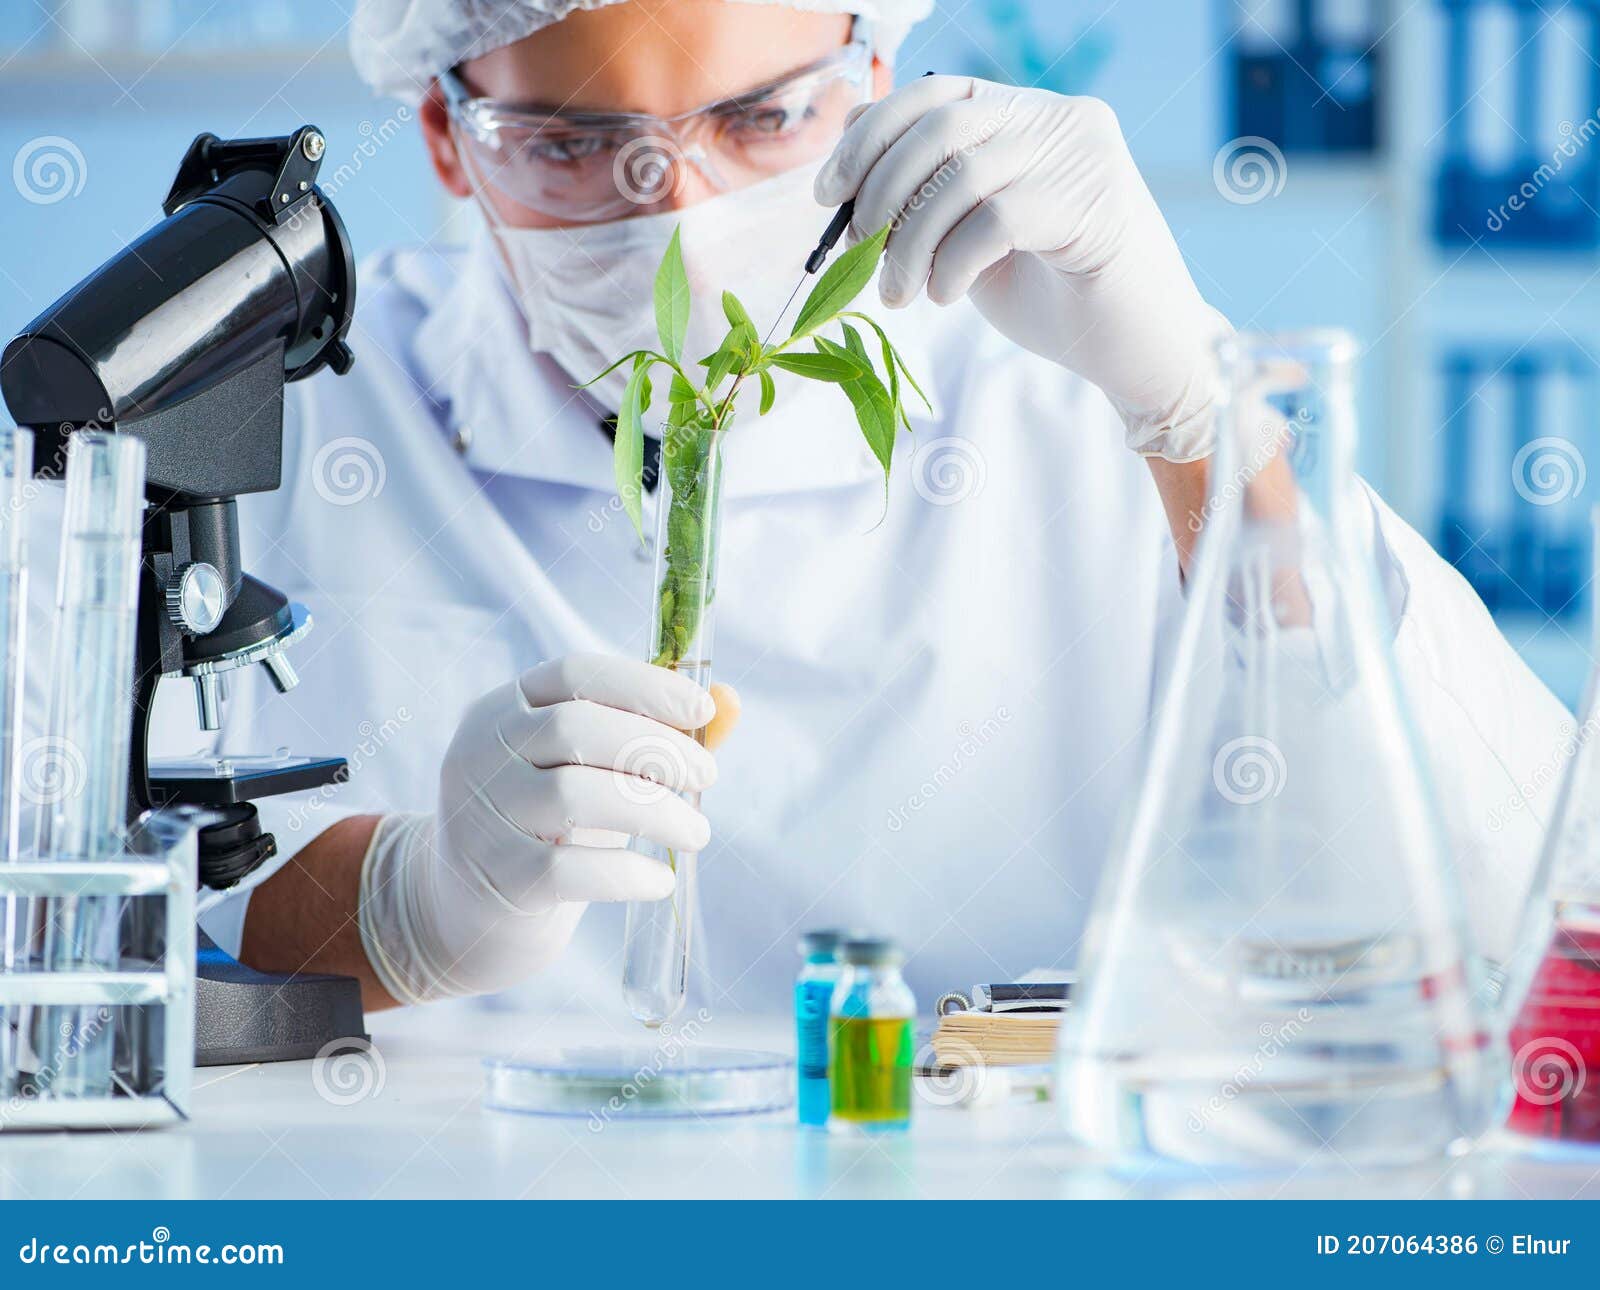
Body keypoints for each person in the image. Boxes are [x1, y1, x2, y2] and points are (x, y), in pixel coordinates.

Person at [201, 0, 1567, 1017]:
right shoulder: (298, 415)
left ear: (876, 80)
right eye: (569, 144)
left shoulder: (1074, 400)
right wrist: (415, 908)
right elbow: (104, 919)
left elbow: (1519, 896)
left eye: (765, 118)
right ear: (445, 135)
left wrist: (1199, 417)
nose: (673, 211)